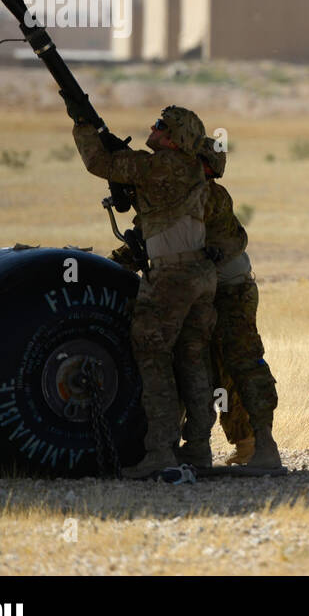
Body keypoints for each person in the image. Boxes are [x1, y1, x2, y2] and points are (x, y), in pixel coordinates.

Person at [73, 105, 217, 477]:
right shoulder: (186, 168)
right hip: (201, 272)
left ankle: (160, 453)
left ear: (174, 138)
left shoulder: (161, 165)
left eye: (160, 126)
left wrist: (84, 127)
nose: (152, 129)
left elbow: (99, 163)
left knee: (153, 357)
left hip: (171, 275)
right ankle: (198, 449)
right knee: (193, 359)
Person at [196, 137, 281, 469]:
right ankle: (246, 445)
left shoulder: (210, 196)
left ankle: (263, 445)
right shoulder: (192, 195)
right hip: (214, 291)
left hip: (231, 291)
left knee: (242, 364)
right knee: (220, 371)